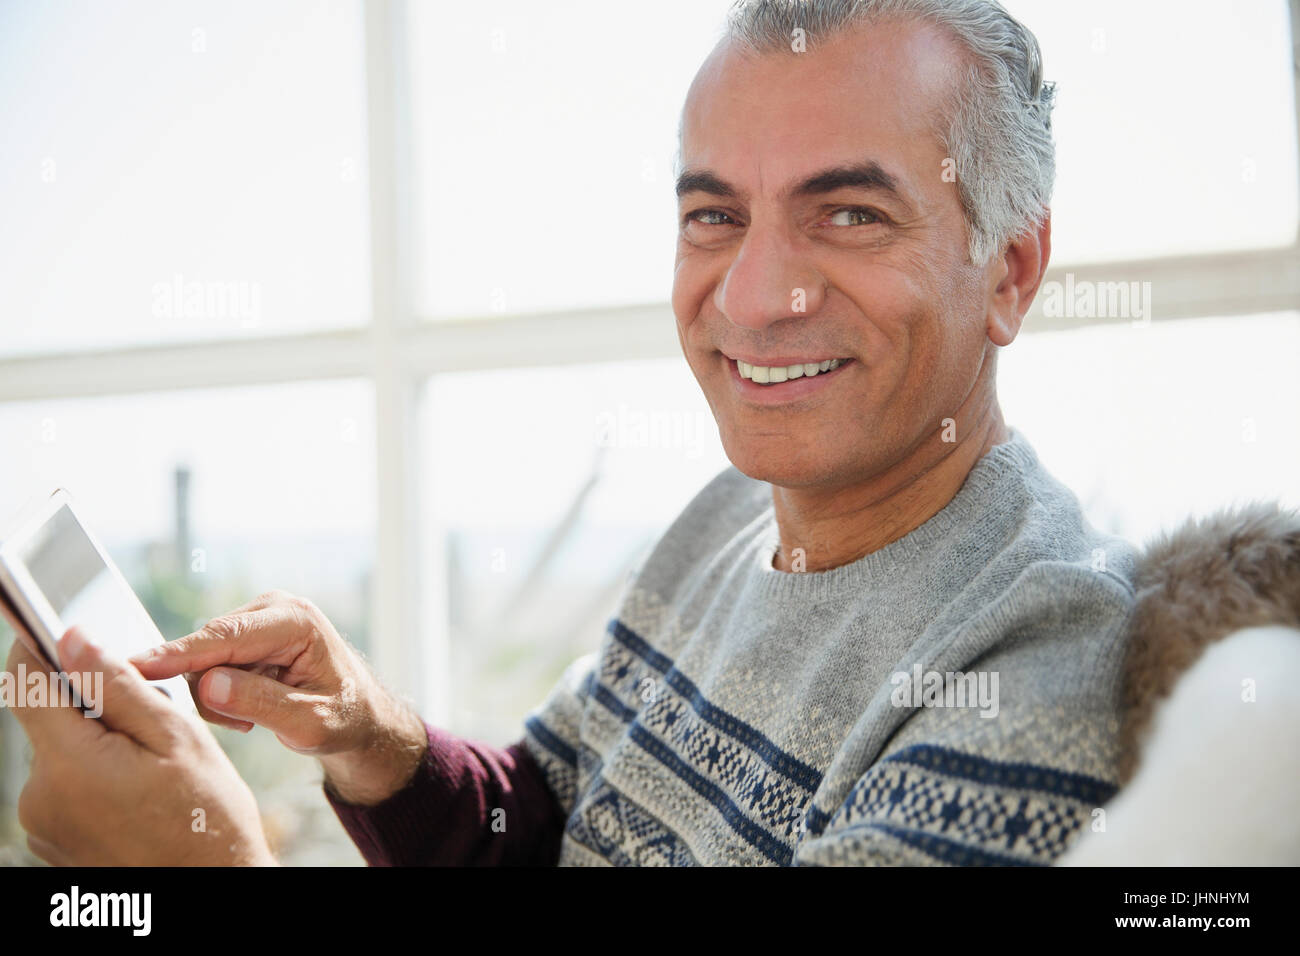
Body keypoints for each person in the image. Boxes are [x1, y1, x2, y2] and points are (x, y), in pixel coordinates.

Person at [7, 0, 1139, 866]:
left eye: (849, 214)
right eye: (714, 216)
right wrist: (371, 733)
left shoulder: (1041, 662)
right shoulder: (733, 516)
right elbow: (542, 813)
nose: (751, 297)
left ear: (1011, 270)